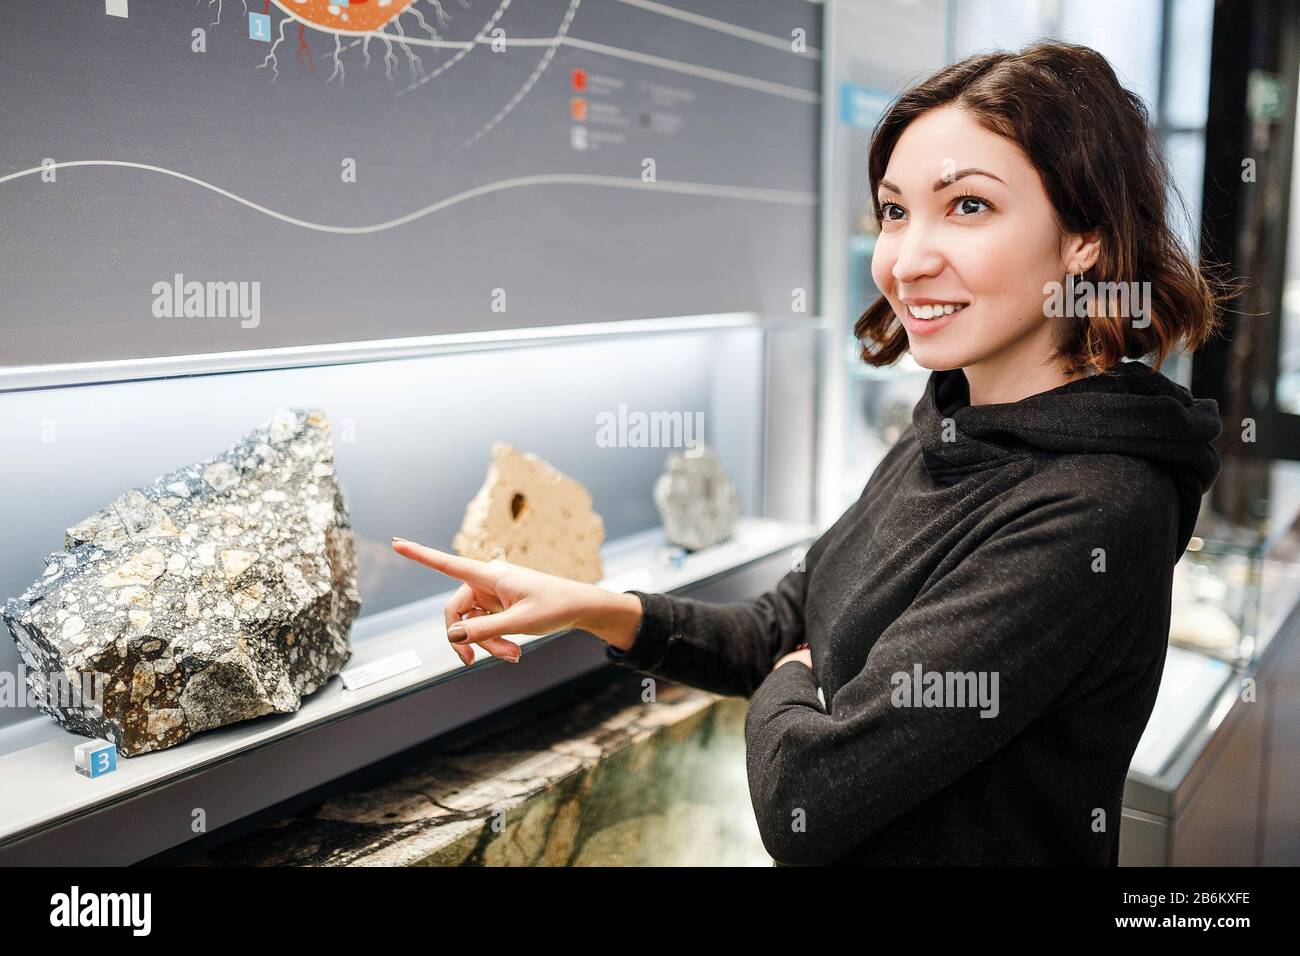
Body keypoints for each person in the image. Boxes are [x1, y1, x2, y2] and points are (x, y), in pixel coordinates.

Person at [392, 41, 1227, 866]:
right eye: (895, 212)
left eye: (968, 206)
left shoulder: (1096, 502)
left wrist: (795, 679)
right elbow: (779, 627)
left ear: (1085, 238)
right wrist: (586, 604)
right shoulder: (950, 422)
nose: (907, 259)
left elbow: (809, 796)